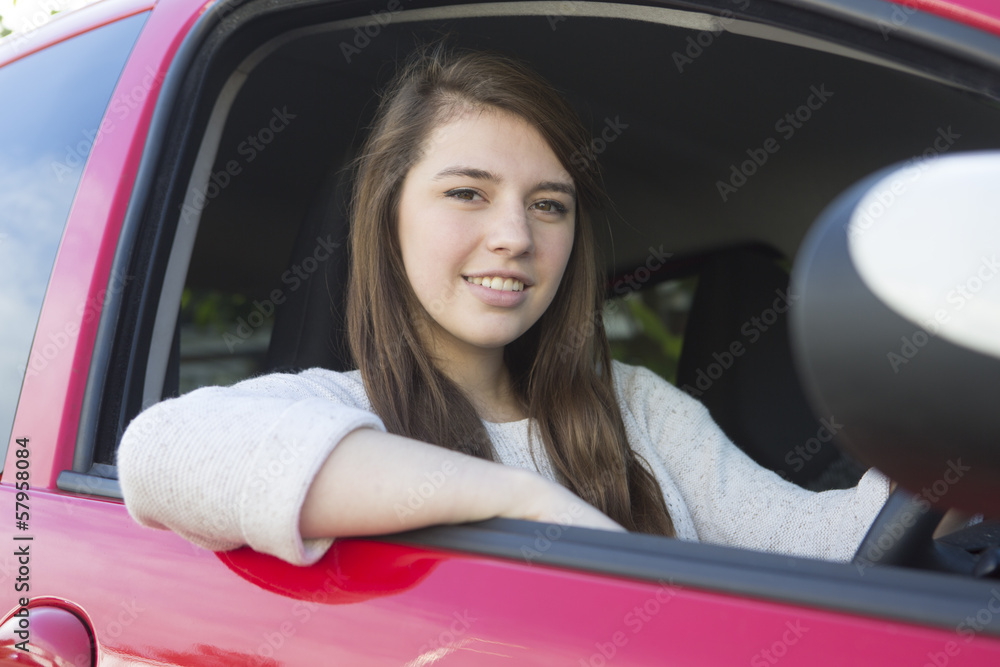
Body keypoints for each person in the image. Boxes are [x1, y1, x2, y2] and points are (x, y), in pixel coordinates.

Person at [117, 45, 890, 567]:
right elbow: (159, 454)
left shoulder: (638, 408)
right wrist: (522, 500)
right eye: (467, 193)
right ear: (388, 220)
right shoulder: (340, 411)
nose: (515, 236)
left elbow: (831, 545)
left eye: (549, 205)